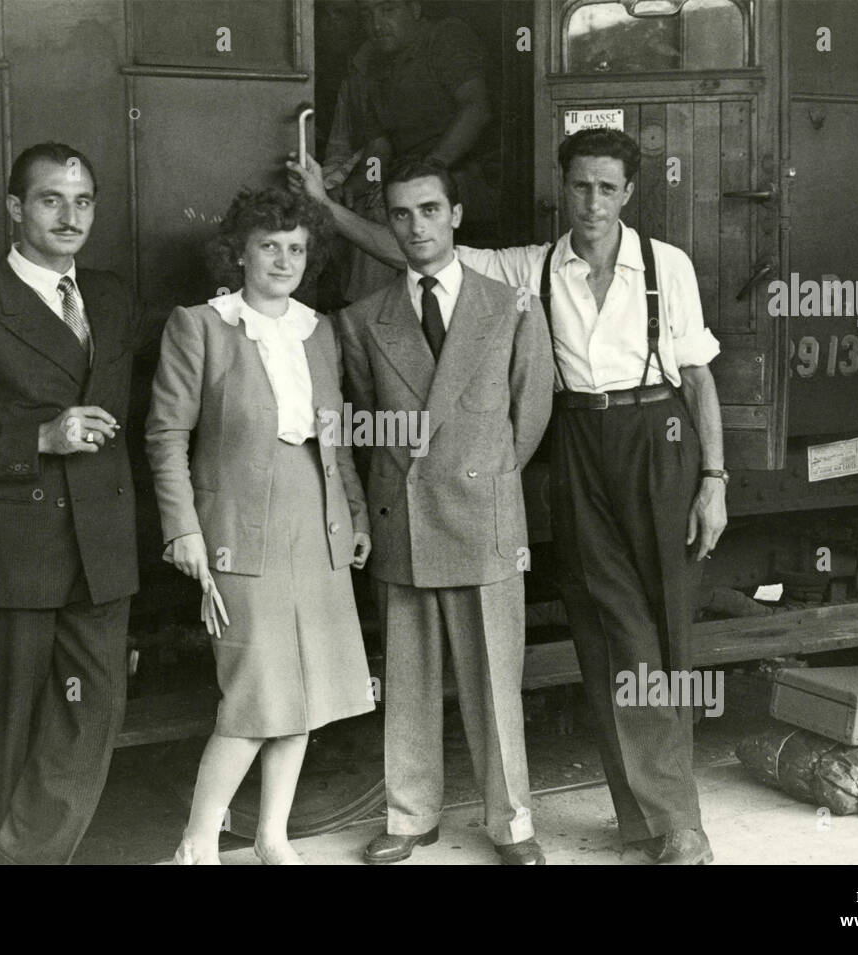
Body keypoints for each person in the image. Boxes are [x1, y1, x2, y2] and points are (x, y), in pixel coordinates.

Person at [290, 127, 728, 865]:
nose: (591, 203)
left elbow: (698, 374)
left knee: (663, 639)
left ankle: (677, 818)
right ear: (562, 188)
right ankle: (650, 819)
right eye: (580, 187)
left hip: (662, 440)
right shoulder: (529, 269)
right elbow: (416, 250)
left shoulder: (667, 266)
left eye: (607, 188)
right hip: (584, 446)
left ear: (629, 193)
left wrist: (714, 480)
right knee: (607, 634)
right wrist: (326, 209)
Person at [0, 142, 154, 864]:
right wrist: (40, 436)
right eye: (52, 199)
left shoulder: (111, 297)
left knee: (92, 715)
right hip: (15, 551)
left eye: (84, 200)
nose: (70, 215)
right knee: (12, 728)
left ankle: (16, 857)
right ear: (16, 209)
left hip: (102, 545)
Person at [146, 188, 375, 865]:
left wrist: (355, 514)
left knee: (303, 693)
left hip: (316, 524)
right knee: (254, 695)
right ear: (238, 252)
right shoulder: (201, 326)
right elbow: (165, 437)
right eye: (268, 246)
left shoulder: (320, 330)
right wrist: (182, 529)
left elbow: (336, 437)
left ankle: (272, 834)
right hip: (240, 534)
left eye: (296, 248)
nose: (283, 259)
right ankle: (199, 840)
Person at [334, 157, 553, 865]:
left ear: (456, 214)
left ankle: (511, 821)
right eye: (400, 214)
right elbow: (368, 421)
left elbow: (532, 411)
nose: (415, 225)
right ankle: (410, 815)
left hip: (484, 511)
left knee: (495, 681)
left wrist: (486, 477)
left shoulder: (512, 303)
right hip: (406, 514)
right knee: (409, 676)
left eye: (429, 209)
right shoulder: (365, 319)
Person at [322, 0, 496, 302]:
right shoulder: (372, 63)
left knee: (383, 209)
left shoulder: (444, 38)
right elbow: (380, 146)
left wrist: (430, 169)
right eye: (367, 15)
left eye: (388, 10)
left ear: (414, 9)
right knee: (346, 205)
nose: (376, 24)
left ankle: (370, 316)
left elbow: (476, 109)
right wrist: (351, 188)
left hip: (469, 176)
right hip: (410, 174)